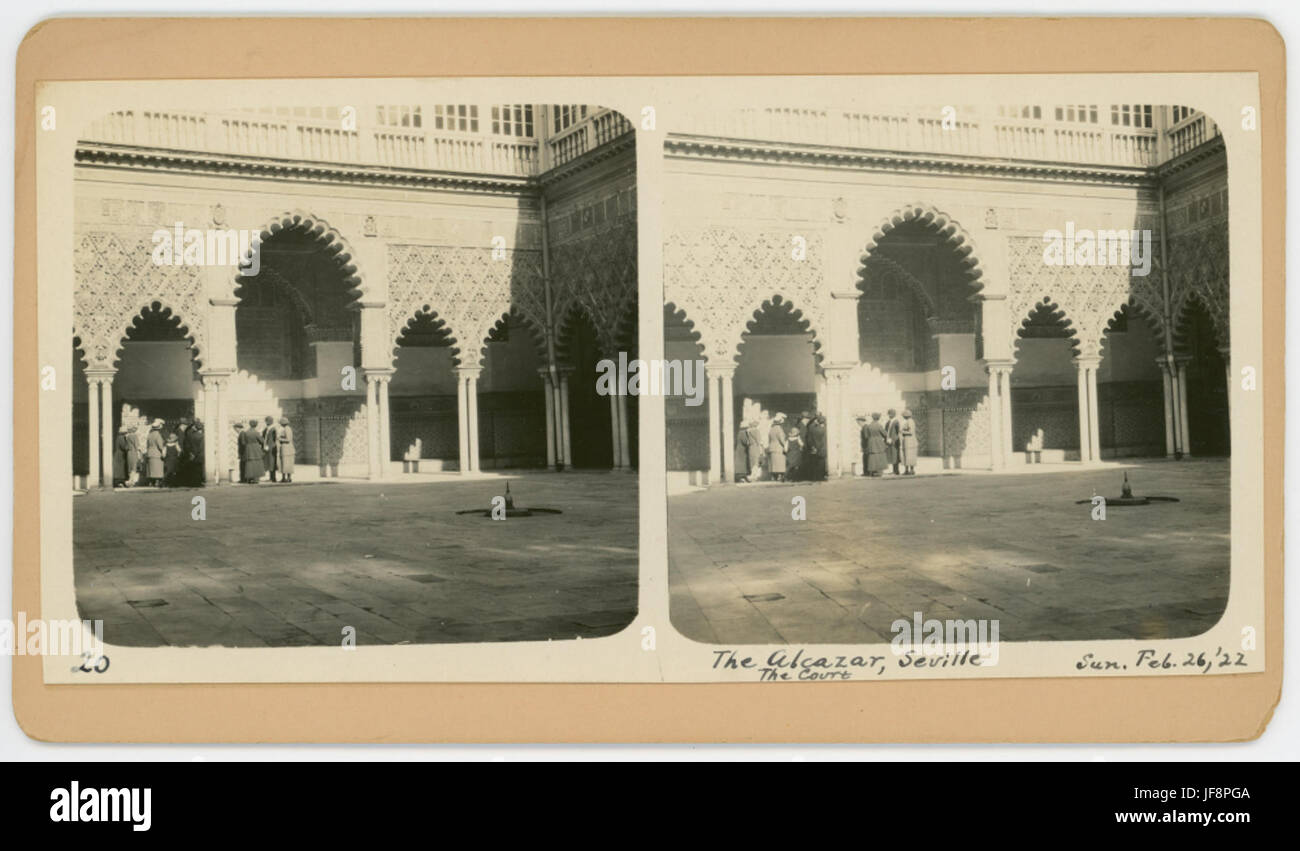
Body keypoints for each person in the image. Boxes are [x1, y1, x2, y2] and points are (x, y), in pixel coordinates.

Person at [239, 418, 265, 484]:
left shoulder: (246, 432)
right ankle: (256, 479)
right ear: (256, 425)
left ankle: (249, 478)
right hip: (256, 449)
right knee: (256, 463)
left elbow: (243, 442)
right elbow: (262, 441)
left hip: (248, 449)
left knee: (249, 464)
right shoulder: (256, 432)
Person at [864, 412, 889, 477]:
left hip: (871, 442)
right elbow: (885, 434)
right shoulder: (879, 425)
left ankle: (872, 471)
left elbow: (866, 436)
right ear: (878, 418)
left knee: (872, 456)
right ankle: (878, 471)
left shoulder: (869, 425)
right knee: (879, 456)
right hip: (878, 442)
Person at [767, 413, 788, 483]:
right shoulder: (779, 429)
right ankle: (779, 476)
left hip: (772, 447)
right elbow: (781, 439)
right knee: (779, 463)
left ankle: (773, 476)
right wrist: (786, 446)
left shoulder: (771, 429)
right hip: (778, 447)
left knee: (773, 463)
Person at [184, 419, 205, 486]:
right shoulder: (201, 436)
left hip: (191, 453)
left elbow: (187, 445)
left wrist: (191, 453)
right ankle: (198, 482)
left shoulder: (190, 434)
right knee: (199, 469)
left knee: (193, 469)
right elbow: (201, 447)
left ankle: (193, 482)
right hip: (199, 454)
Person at [145, 419, 166, 486]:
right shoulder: (158, 435)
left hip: (150, 452)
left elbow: (147, 444)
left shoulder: (149, 435)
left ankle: (151, 482)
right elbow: (160, 445)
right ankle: (157, 481)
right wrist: (163, 450)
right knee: (157, 468)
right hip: (156, 453)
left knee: (151, 468)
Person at [806, 414, 827, 481]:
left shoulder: (812, 428)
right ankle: (820, 477)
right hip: (822, 447)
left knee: (814, 463)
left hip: (814, 447)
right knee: (821, 463)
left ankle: (814, 477)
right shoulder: (824, 429)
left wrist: (812, 446)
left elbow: (809, 439)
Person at [899, 408, 919, 476]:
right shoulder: (909, 421)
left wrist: (902, 431)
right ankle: (908, 470)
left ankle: (910, 470)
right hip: (909, 440)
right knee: (908, 455)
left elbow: (911, 432)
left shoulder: (910, 421)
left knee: (908, 455)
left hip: (909, 440)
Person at [275, 416, 295, 483]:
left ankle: (287, 478)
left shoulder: (287, 429)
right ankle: (286, 478)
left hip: (287, 449)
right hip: (286, 449)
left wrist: (279, 439)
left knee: (286, 463)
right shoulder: (286, 428)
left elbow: (288, 439)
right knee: (285, 464)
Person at [885, 408, 901, 476]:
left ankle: (896, 471)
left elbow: (898, 433)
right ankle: (894, 470)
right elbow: (886, 430)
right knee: (891, 456)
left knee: (895, 456)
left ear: (894, 414)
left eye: (891, 414)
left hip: (894, 442)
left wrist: (893, 439)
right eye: (889, 414)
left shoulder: (896, 422)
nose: (889, 415)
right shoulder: (888, 422)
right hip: (889, 441)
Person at [263, 415, 278, 482]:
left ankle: (273, 478)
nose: (266, 422)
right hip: (267, 447)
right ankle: (271, 477)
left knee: (272, 462)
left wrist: (270, 445)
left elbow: (275, 439)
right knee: (269, 462)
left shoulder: (273, 429)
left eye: (267, 421)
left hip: (271, 448)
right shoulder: (267, 429)